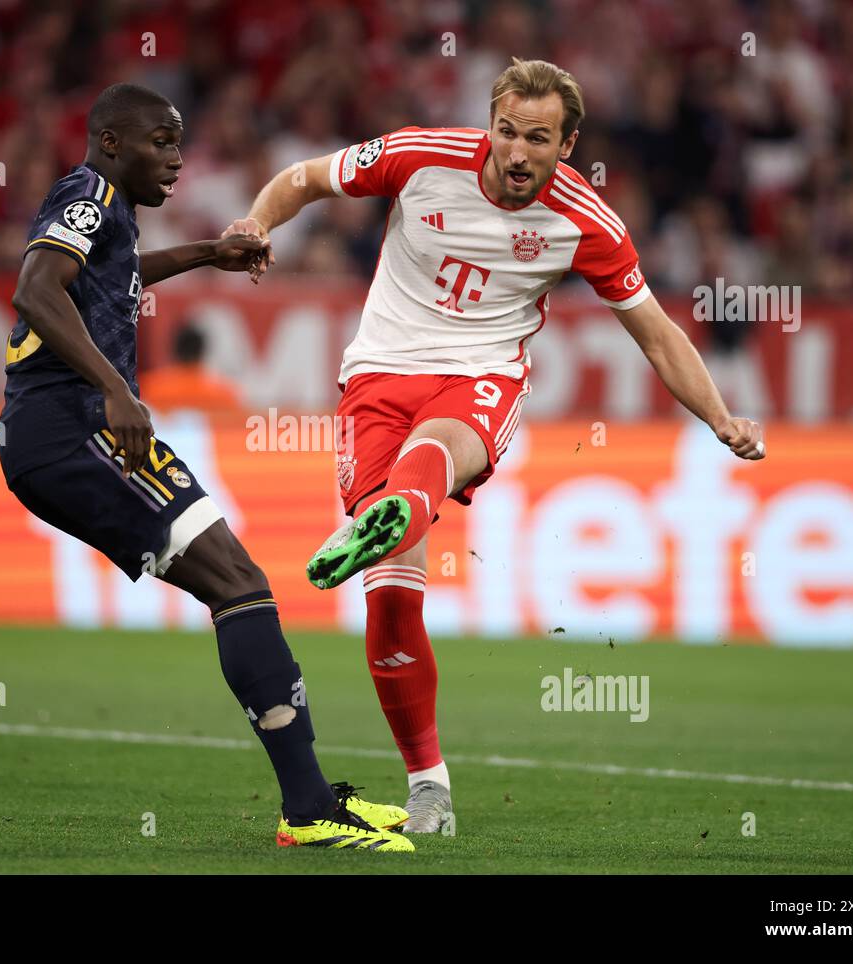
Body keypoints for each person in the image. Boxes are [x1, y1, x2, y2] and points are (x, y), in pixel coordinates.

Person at [225, 58, 766, 832]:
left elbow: (656, 332)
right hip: (377, 376)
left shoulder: (588, 224)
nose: (516, 152)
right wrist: (255, 223)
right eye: (507, 131)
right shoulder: (420, 156)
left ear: (568, 144)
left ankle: (392, 510)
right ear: (491, 125)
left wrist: (720, 417)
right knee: (394, 595)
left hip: (480, 381)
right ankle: (429, 783)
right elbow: (308, 178)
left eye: (537, 139)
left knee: (430, 460)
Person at [0, 83, 411, 852]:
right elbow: (35, 289)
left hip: (70, 426)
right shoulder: (86, 192)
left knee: (239, 583)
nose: (178, 159)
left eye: (180, 142)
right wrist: (116, 389)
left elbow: (109, 281)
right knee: (238, 583)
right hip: (68, 427)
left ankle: (312, 798)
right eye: (162, 141)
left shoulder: (110, 213)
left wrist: (206, 254)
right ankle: (310, 808)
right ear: (112, 142)